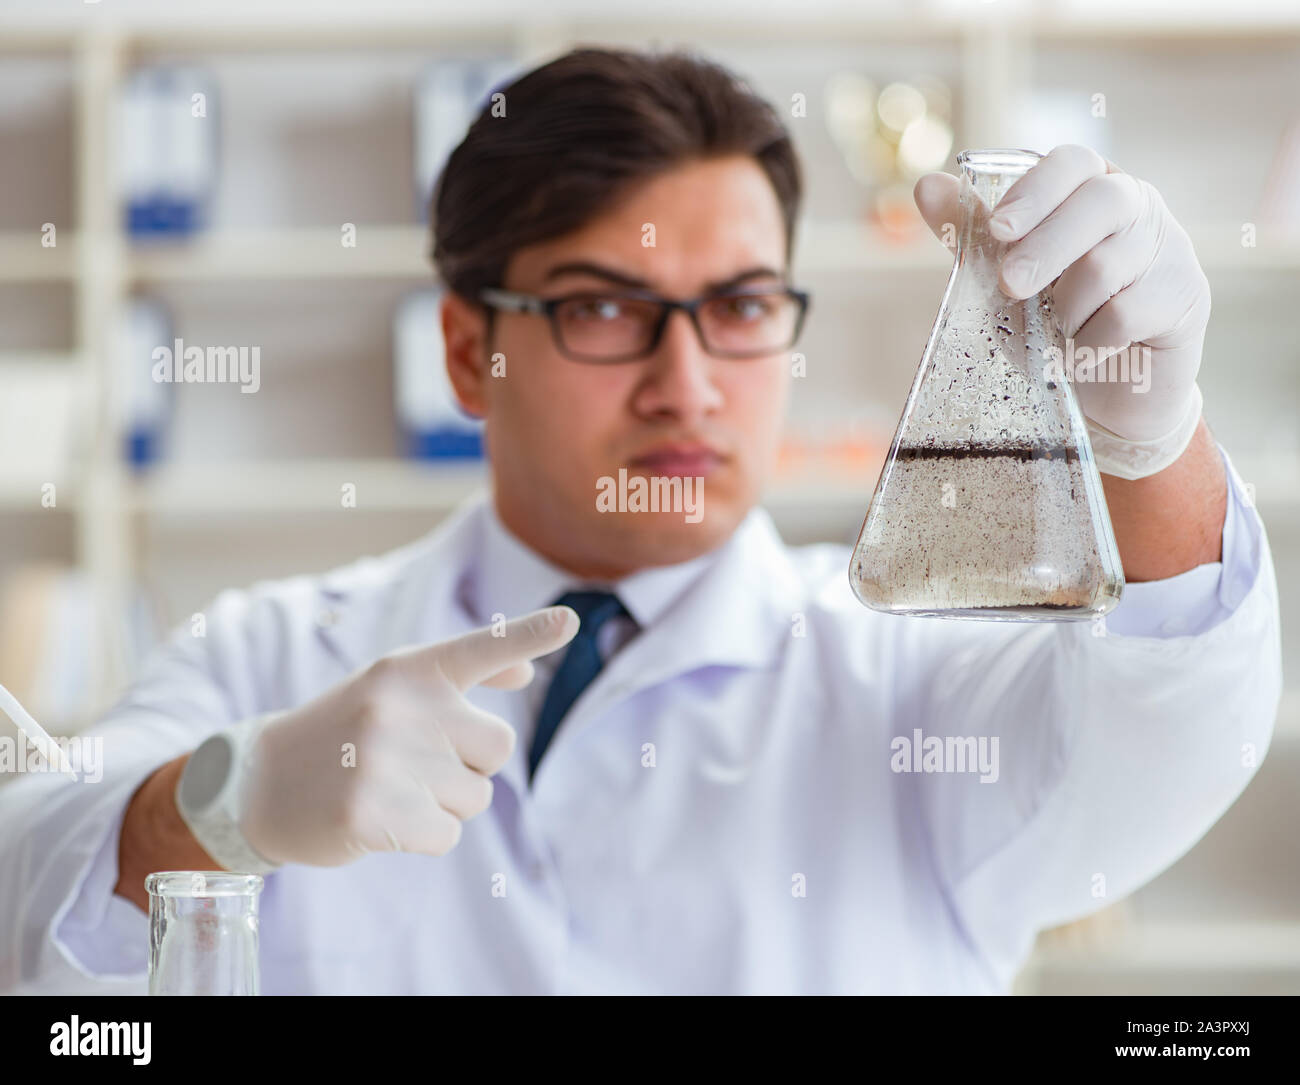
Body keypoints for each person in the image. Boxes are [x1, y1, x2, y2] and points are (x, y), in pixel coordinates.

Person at [0, 47, 1281, 995]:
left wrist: (1151, 441)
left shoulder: (908, 667)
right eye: (603, 309)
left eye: (737, 306)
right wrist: (224, 809)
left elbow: (1160, 737)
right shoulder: (271, 659)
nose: (687, 381)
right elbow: (28, 900)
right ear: (464, 352)